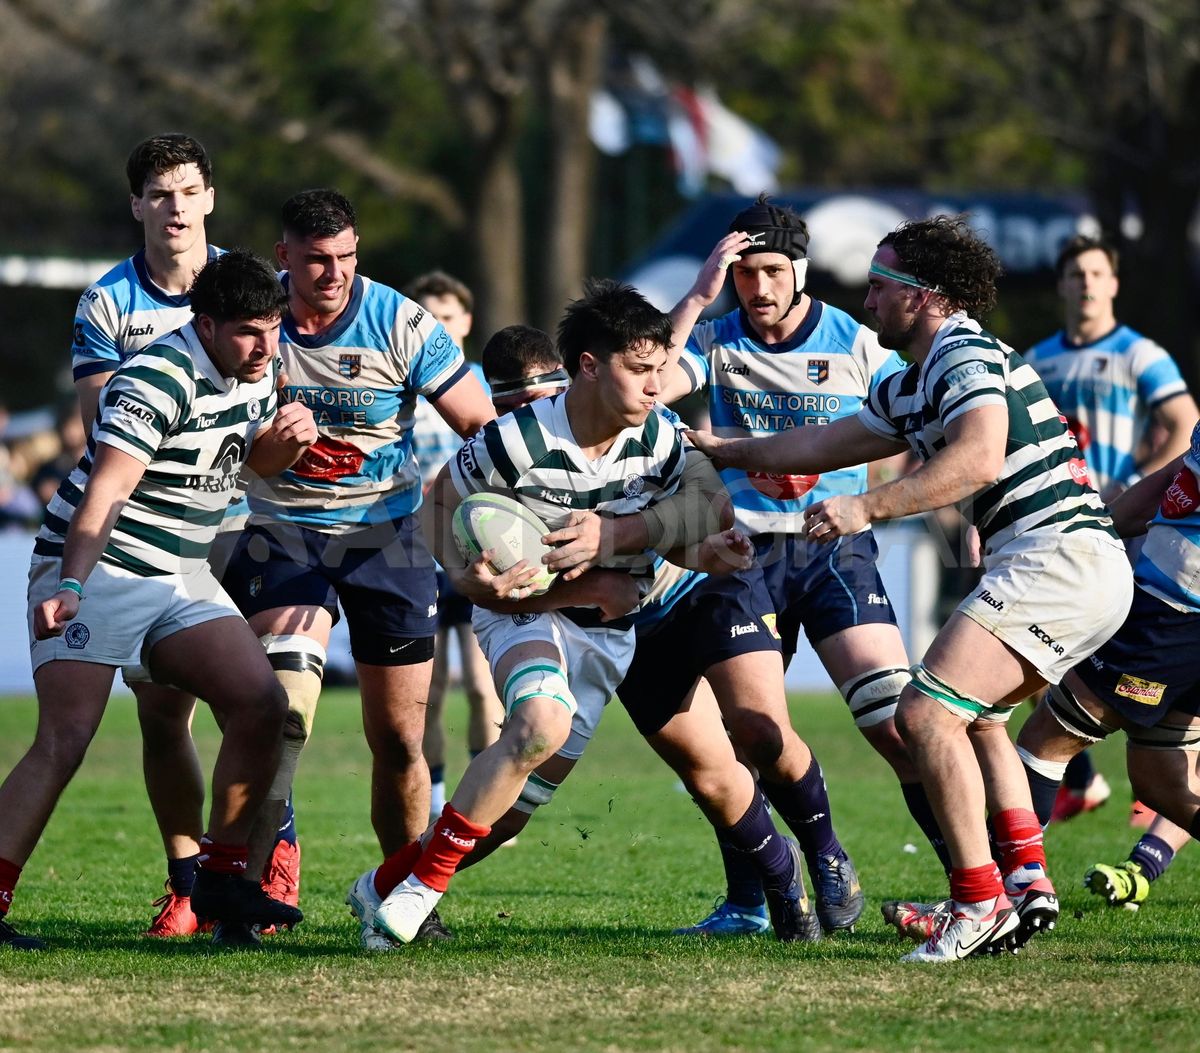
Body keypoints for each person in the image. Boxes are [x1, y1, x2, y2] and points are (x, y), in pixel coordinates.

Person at [689, 215, 1135, 962]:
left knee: (924, 716)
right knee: (977, 719)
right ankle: (1024, 879)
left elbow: (982, 455)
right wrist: (724, 449)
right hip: (1072, 564)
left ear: (924, 297)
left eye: (880, 286)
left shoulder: (960, 351)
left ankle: (975, 902)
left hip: (1056, 558)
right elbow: (828, 441)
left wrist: (866, 505)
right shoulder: (916, 377)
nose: (866, 302)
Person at [346, 322, 828, 947]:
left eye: (661, 371)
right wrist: (471, 582)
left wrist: (706, 549)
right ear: (590, 368)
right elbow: (437, 508)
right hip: (527, 616)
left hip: (610, 637)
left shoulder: (661, 439)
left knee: (512, 812)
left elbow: (705, 516)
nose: (659, 386)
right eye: (642, 371)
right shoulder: (513, 441)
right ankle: (419, 891)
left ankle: (382, 884)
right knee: (538, 725)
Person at [0, 250, 317, 950]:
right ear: (204, 325)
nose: (266, 346)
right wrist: (73, 583)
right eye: (247, 332)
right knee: (65, 739)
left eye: (273, 327)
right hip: (101, 562)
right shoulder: (156, 377)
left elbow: (248, 462)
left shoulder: (259, 372)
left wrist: (283, 447)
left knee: (262, 703)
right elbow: (105, 491)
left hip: (178, 569)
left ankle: (222, 877)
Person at [653, 195, 936, 936]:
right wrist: (698, 291)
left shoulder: (856, 342)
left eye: (771, 270)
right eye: (743, 273)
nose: (758, 287)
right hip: (741, 555)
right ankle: (755, 898)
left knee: (894, 721)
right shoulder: (712, 339)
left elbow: (929, 414)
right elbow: (648, 386)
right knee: (747, 735)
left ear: (799, 271)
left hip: (833, 550)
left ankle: (974, 886)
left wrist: (933, 503)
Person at [219, 189, 495, 943]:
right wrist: (267, 453)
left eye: (345, 256)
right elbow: (225, 451)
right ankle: (244, 896)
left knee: (402, 739)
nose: (333, 272)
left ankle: (408, 894)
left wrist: (499, 517)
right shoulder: (253, 328)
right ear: (284, 256)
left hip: (388, 538)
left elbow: (481, 427)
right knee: (284, 717)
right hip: (282, 535)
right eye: (315, 259)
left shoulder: (403, 322)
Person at [69, 132, 275, 937]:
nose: (176, 207)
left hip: (239, 527)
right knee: (164, 713)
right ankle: (189, 881)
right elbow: (102, 431)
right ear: (136, 206)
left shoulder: (250, 286)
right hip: (151, 534)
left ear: (210, 198)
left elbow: (270, 397)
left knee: (267, 699)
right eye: (159, 193)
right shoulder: (109, 304)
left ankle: (254, 869)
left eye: (188, 190)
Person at [1025, 234, 1199, 823]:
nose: (1087, 284)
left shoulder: (1140, 353)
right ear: (1062, 285)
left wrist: (1127, 491)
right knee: (1160, 777)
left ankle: (997, 894)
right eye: (1076, 274)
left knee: (1046, 731)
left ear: (1113, 283)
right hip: (1078, 529)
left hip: (1168, 588)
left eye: (1097, 273)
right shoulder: (1040, 357)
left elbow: (1179, 422)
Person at [1011, 429, 1200, 909]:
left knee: (1045, 741)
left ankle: (1002, 893)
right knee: (1160, 781)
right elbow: (1167, 482)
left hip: (1172, 615)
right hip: (1171, 611)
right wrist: (1092, 534)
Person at [406, 271, 505, 820]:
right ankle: (438, 801)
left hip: (477, 549)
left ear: (465, 323)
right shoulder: (402, 387)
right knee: (433, 688)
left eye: (447, 317)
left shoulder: (484, 388)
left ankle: (482, 807)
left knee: (482, 686)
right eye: (428, 317)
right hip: (418, 550)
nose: (438, 327)